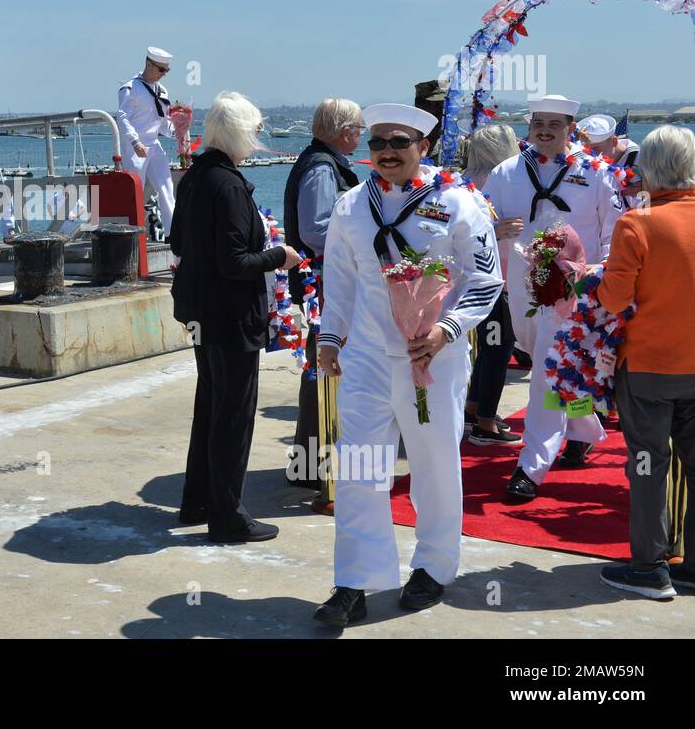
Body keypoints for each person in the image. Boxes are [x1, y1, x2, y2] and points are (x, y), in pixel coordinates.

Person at [313, 103, 503, 627]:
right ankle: (354, 580)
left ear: (424, 147)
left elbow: (485, 279)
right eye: (377, 144)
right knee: (359, 467)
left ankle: (434, 566)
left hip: (433, 358)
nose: (387, 153)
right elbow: (342, 280)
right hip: (368, 357)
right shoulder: (352, 206)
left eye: (399, 142)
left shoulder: (459, 202)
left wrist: (448, 330)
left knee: (434, 463)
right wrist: (330, 338)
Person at [170, 92, 301, 544]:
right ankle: (227, 515)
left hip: (200, 311)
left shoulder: (195, 177)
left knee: (211, 403)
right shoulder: (226, 184)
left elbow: (176, 241)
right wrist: (278, 256)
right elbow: (235, 261)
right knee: (233, 413)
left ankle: (198, 499)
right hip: (228, 315)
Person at [482, 94, 623, 500]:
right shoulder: (507, 171)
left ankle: (532, 464)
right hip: (521, 287)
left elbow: (614, 229)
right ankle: (584, 427)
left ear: (569, 129)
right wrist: (496, 231)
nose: (545, 130)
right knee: (556, 368)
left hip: (574, 292)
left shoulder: (596, 173)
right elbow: (477, 224)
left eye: (554, 123)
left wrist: (603, 278)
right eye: (538, 122)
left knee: (547, 371)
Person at [597, 125, 695, 599]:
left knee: (646, 465)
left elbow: (614, 300)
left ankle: (649, 567)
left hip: (650, 368)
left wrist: (589, 283)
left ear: (648, 168)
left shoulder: (637, 223)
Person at [281, 97, 364, 493]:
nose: (362, 138)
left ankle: (313, 463)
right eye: (359, 130)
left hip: (325, 281)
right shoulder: (321, 167)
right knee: (324, 369)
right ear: (344, 131)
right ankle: (317, 466)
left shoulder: (320, 162)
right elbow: (316, 229)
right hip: (322, 284)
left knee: (322, 368)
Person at [462, 123, 523, 447]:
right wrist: (497, 230)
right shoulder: (501, 181)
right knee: (500, 349)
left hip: (479, 278)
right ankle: (485, 421)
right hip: (499, 279)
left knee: (490, 348)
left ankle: (475, 407)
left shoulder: (464, 182)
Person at [116, 47, 177, 237]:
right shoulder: (130, 88)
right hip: (136, 147)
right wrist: (134, 142)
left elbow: (164, 124)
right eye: (161, 69)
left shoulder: (162, 90)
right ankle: (134, 236)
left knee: (167, 188)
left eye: (166, 71)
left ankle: (171, 235)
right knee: (135, 191)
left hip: (154, 145)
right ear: (148, 64)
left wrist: (179, 130)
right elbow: (122, 117)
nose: (163, 74)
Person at [579, 113, 643, 208]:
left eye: (595, 149)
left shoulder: (642, 159)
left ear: (614, 141)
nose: (591, 156)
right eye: (587, 150)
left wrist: (652, 188)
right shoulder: (587, 162)